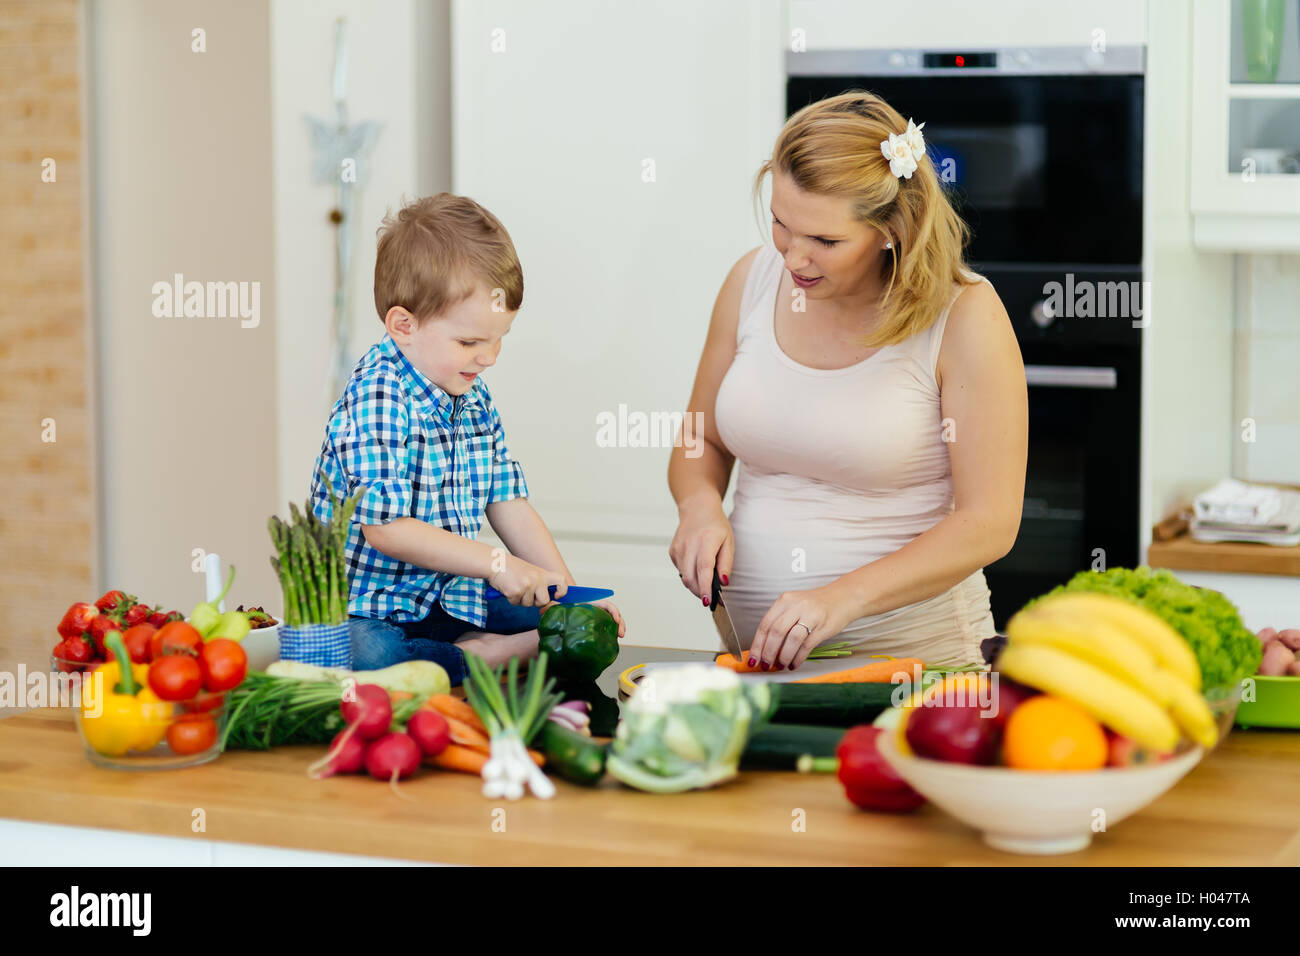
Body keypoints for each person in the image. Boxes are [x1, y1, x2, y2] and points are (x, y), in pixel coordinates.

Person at [668, 91, 1026, 672]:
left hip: (919, 670)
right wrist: (699, 505)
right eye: (783, 226)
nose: (793, 257)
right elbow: (698, 442)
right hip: (755, 664)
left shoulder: (964, 316)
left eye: (826, 242)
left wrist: (842, 598)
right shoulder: (750, 281)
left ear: (891, 229)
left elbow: (990, 523)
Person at [309, 194, 625, 684]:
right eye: (470, 342)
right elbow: (386, 529)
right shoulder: (377, 397)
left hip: (445, 597)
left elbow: (509, 501)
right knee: (368, 659)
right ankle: (483, 657)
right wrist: (498, 564)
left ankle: (475, 647)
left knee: (546, 617)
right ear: (404, 325)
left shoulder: (470, 393)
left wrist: (565, 596)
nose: (489, 357)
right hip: (366, 608)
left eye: (500, 339)